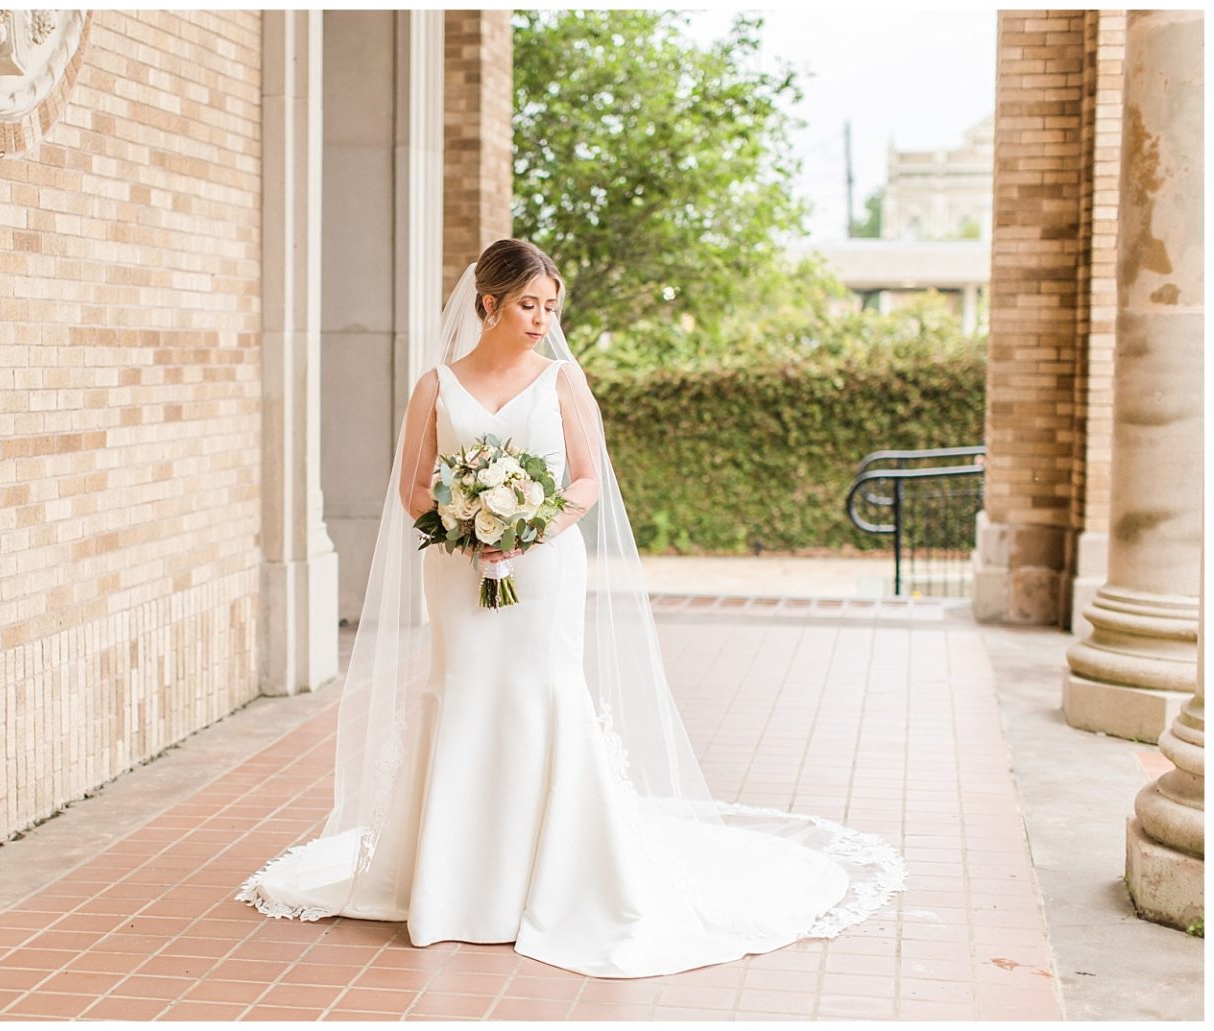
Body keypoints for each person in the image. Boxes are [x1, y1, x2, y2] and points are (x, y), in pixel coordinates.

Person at [237, 239, 906, 978]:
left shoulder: (560, 379)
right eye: (529, 304)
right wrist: (464, 527)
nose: (541, 318)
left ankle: (550, 877)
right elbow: (413, 488)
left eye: (550, 306)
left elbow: (586, 481)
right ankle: (451, 882)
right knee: (461, 693)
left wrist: (528, 528)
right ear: (488, 302)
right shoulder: (435, 385)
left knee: (539, 696)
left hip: (544, 568)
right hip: (459, 570)